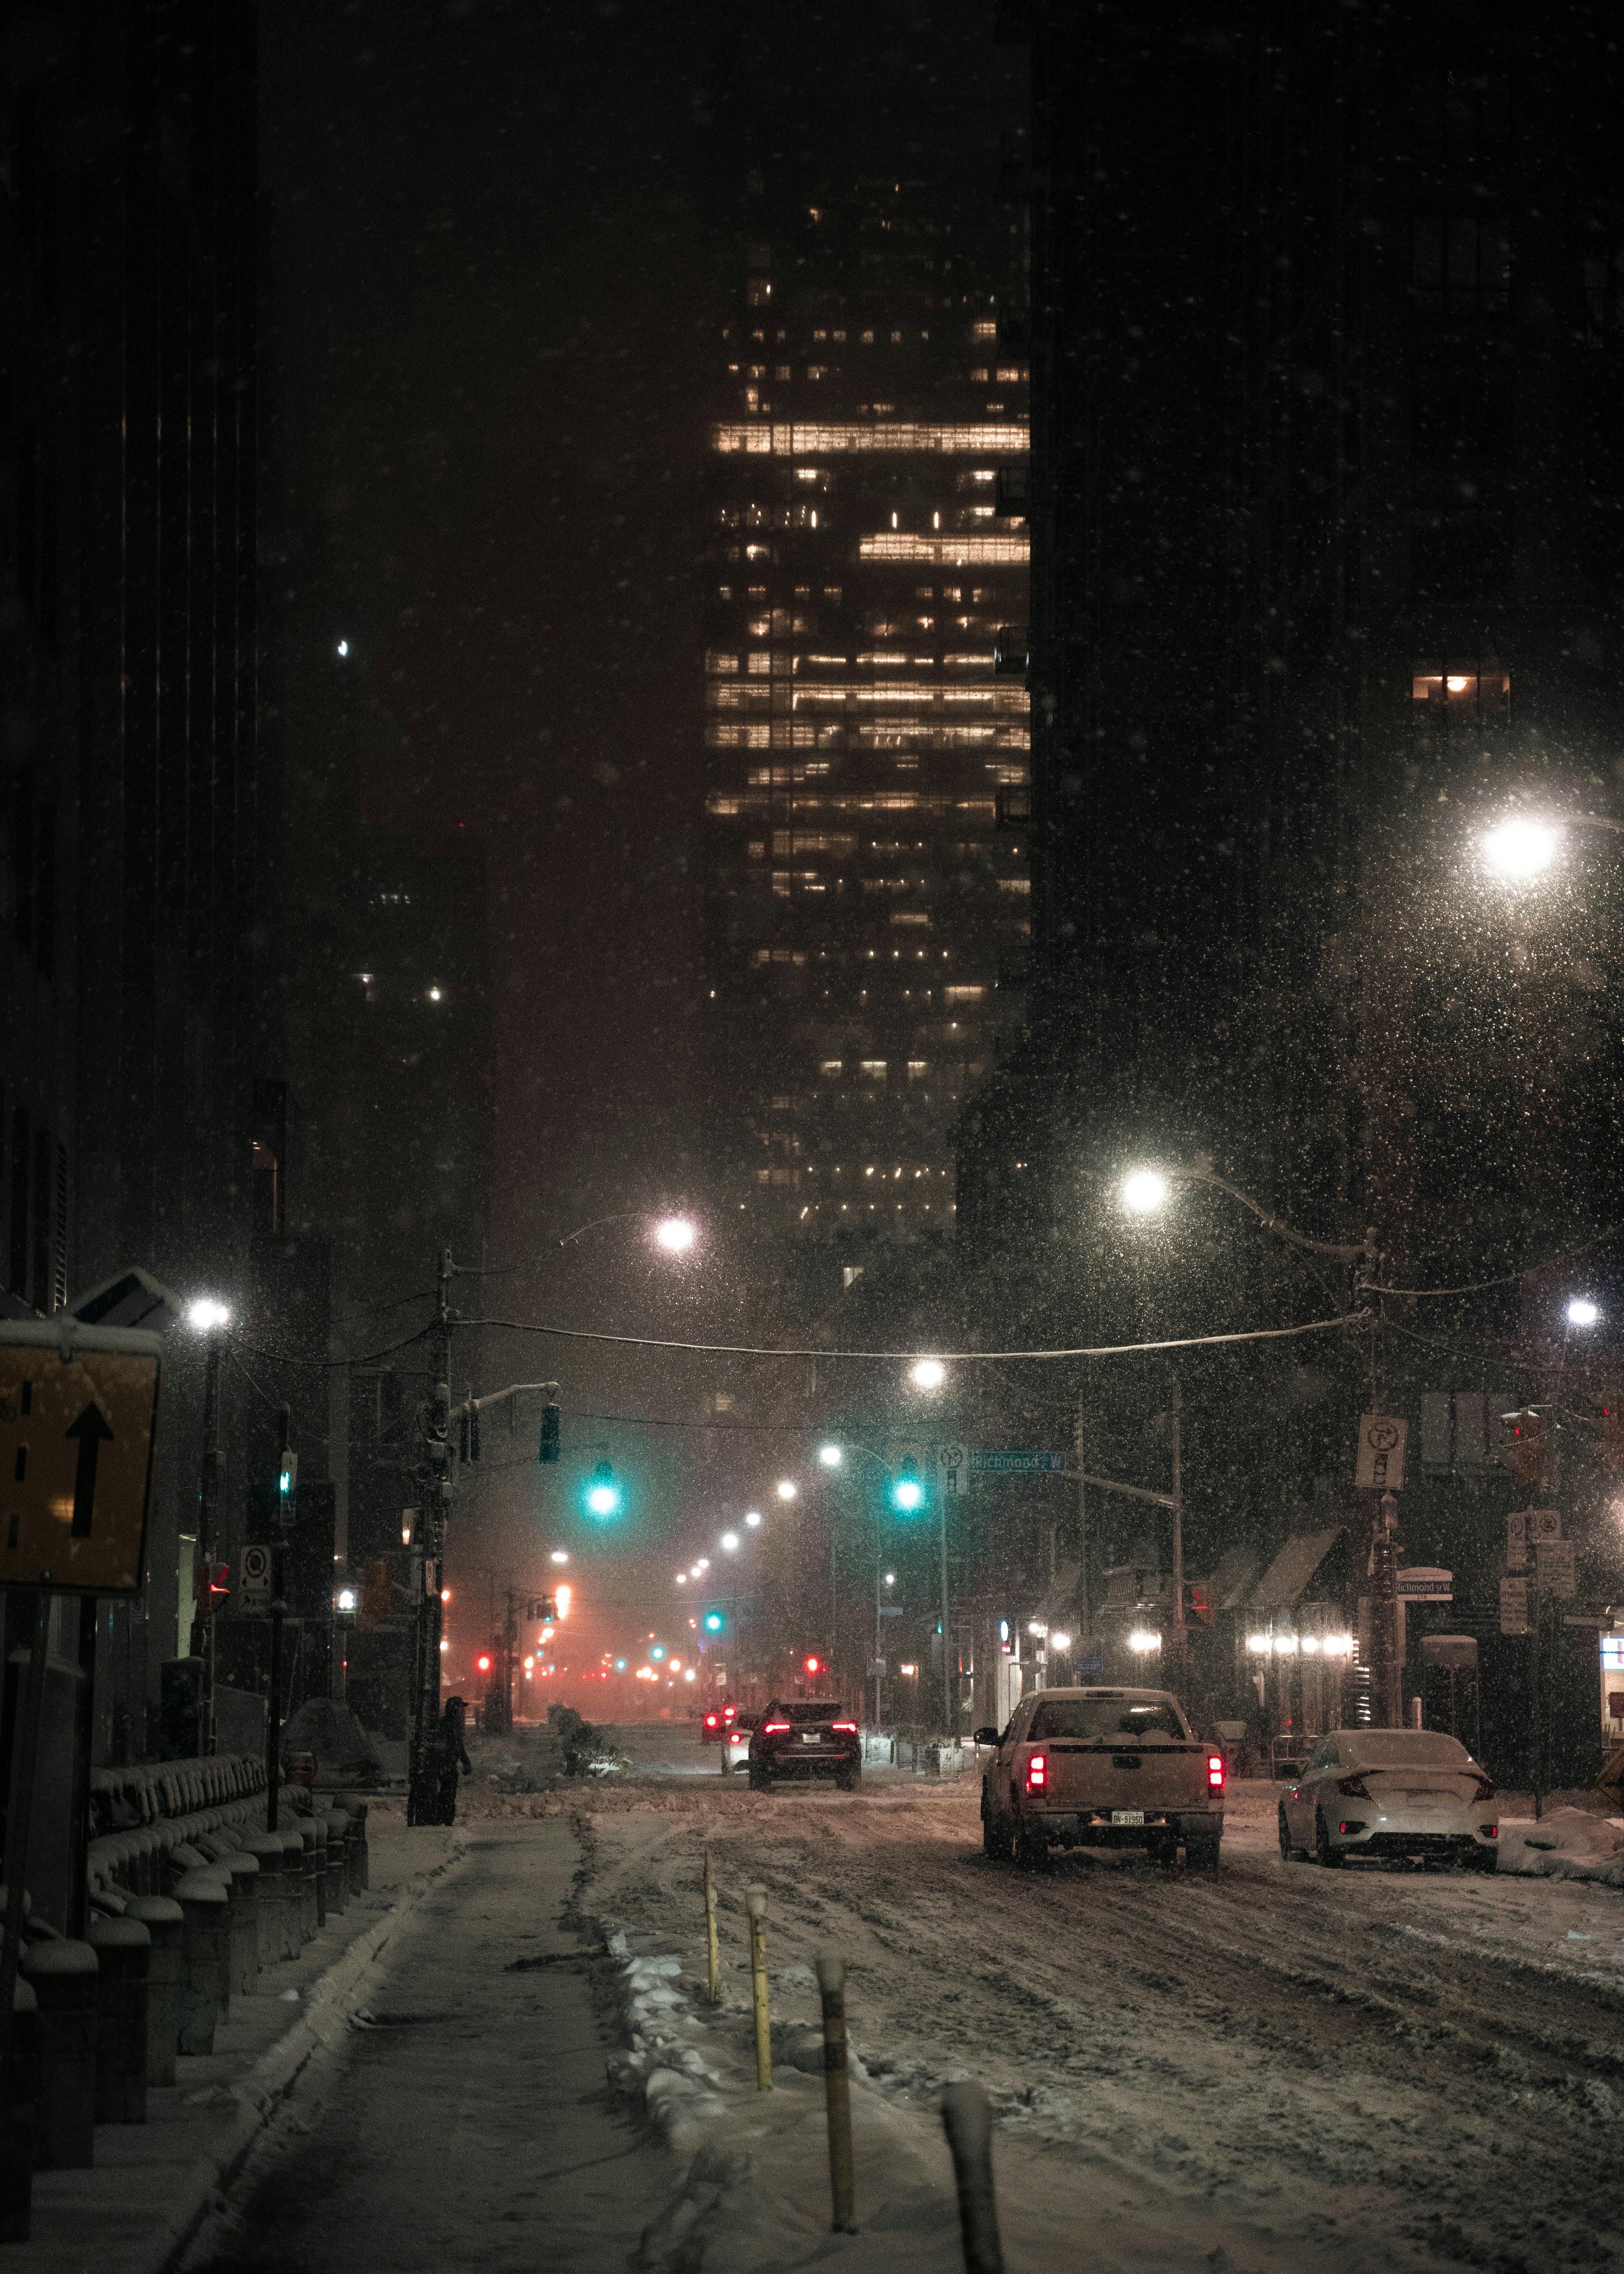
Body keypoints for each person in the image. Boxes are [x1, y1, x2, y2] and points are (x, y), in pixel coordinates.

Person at [437, 1694, 472, 1824]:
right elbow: (455, 1746)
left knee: (448, 1792)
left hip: (448, 1764)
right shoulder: (448, 1724)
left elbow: (459, 1747)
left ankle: (444, 1817)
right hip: (447, 1764)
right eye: (461, 1708)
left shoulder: (453, 1724)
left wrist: (466, 1762)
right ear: (455, 1709)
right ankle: (444, 1818)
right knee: (448, 1792)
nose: (463, 1711)